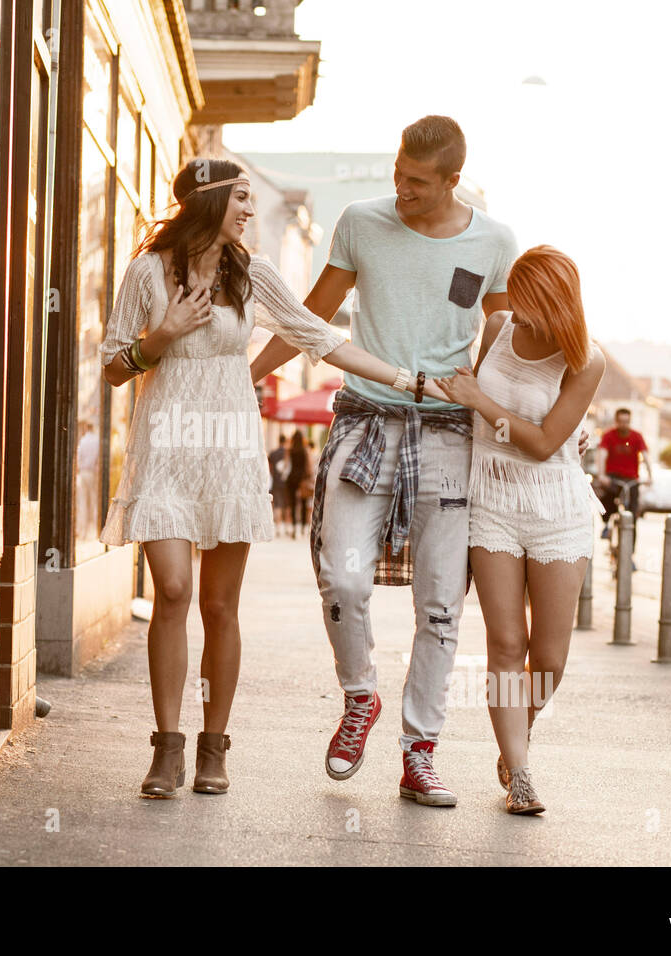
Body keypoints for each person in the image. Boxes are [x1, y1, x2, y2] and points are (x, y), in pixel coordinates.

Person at [249, 116, 589, 807]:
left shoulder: (493, 241)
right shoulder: (361, 222)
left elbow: (516, 338)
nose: (400, 188)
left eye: (417, 182)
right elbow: (314, 313)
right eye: (398, 173)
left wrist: (556, 415)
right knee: (342, 578)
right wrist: (247, 377)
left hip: (449, 436)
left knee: (440, 608)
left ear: (452, 180)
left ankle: (419, 753)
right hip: (365, 421)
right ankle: (359, 697)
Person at [99, 157, 450, 799]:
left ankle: (213, 748)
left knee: (219, 605)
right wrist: (162, 335)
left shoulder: (253, 275)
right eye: (240, 199)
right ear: (206, 201)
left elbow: (320, 337)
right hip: (167, 452)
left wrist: (405, 379)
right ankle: (166, 748)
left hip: (230, 453)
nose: (249, 211)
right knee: (173, 591)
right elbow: (112, 366)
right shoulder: (147, 272)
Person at [435, 245, 605, 814]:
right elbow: (470, 408)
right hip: (492, 501)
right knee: (506, 644)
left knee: (549, 658)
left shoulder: (587, 361)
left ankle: (516, 740)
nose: (520, 311)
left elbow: (541, 443)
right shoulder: (500, 326)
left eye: (533, 301)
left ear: (559, 301)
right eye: (518, 298)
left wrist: (478, 399)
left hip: (556, 505)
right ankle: (521, 772)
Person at [596, 407, 652, 541]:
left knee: (632, 516)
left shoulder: (637, 437)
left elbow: (645, 456)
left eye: (626, 422)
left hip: (631, 479)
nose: (624, 425)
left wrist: (650, 476)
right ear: (616, 421)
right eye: (621, 421)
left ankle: (629, 553)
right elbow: (602, 455)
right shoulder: (608, 435)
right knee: (607, 501)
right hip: (613, 477)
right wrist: (601, 475)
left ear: (630, 421)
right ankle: (606, 525)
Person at [286, 430, 310, 536]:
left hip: (291, 478)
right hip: (302, 479)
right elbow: (307, 465)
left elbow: (287, 464)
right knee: (304, 503)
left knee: (293, 503)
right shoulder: (304, 451)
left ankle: (294, 527)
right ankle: (304, 528)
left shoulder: (290, 450)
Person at [267, 434, 290, 532]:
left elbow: (269, 467)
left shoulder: (273, 453)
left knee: (277, 504)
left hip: (276, 481)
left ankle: (278, 527)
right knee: (286, 504)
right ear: (285, 442)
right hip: (286, 482)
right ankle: (287, 528)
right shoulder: (288, 453)